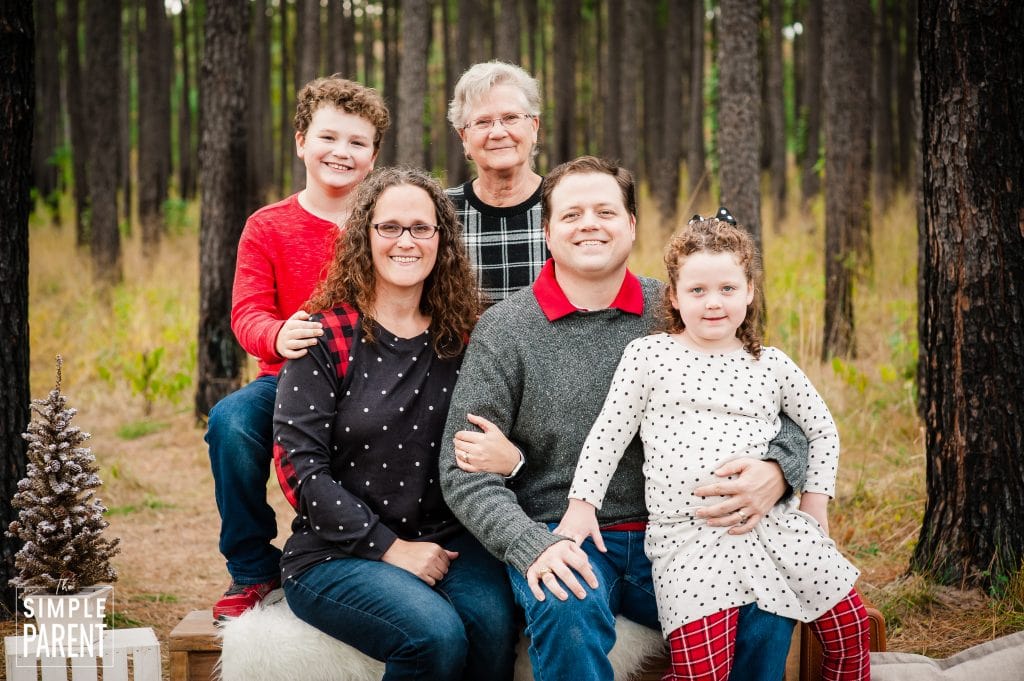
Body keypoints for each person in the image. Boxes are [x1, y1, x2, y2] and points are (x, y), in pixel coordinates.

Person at [440, 156, 808, 681]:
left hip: (688, 530)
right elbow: (464, 473)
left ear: (631, 226)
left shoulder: (679, 306)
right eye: (571, 215)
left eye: (605, 211)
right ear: (547, 232)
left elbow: (778, 403)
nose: (589, 223)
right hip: (563, 532)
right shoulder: (506, 330)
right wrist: (530, 546)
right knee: (567, 607)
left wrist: (777, 471)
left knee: (765, 603)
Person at [560, 211, 871, 681]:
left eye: (728, 289)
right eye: (698, 291)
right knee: (702, 673)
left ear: (749, 290)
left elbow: (822, 430)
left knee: (851, 632)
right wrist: (582, 504)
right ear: (674, 296)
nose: (713, 304)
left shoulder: (771, 365)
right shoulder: (650, 356)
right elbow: (609, 433)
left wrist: (815, 503)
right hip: (689, 543)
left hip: (777, 528)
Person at [273, 168, 518, 681]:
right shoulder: (322, 336)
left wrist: (511, 456)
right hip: (335, 551)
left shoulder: (465, 338)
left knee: (492, 626)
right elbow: (301, 472)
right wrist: (390, 548)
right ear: (365, 236)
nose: (405, 242)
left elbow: (508, 432)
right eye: (389, 228)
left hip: (451, 539)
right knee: (433, 636)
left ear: (441, 241)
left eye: (420, 228)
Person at [205, 76, 390, 621]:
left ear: (374, 157)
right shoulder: (268, 226)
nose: (341, 152)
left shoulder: (385, 222)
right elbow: (248, 313)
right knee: (231, 422)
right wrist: (277, 334)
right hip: (288, 379)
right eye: (329, 137)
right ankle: (252, 571)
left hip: (380, 376)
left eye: (357, 143)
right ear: (301, 140)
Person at [446, 61, 548, 307]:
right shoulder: (442, 210)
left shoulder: (565, 205)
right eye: (482, 122)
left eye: (510, 118)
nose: (498, 132)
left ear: (533, 127)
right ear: (464, 138)